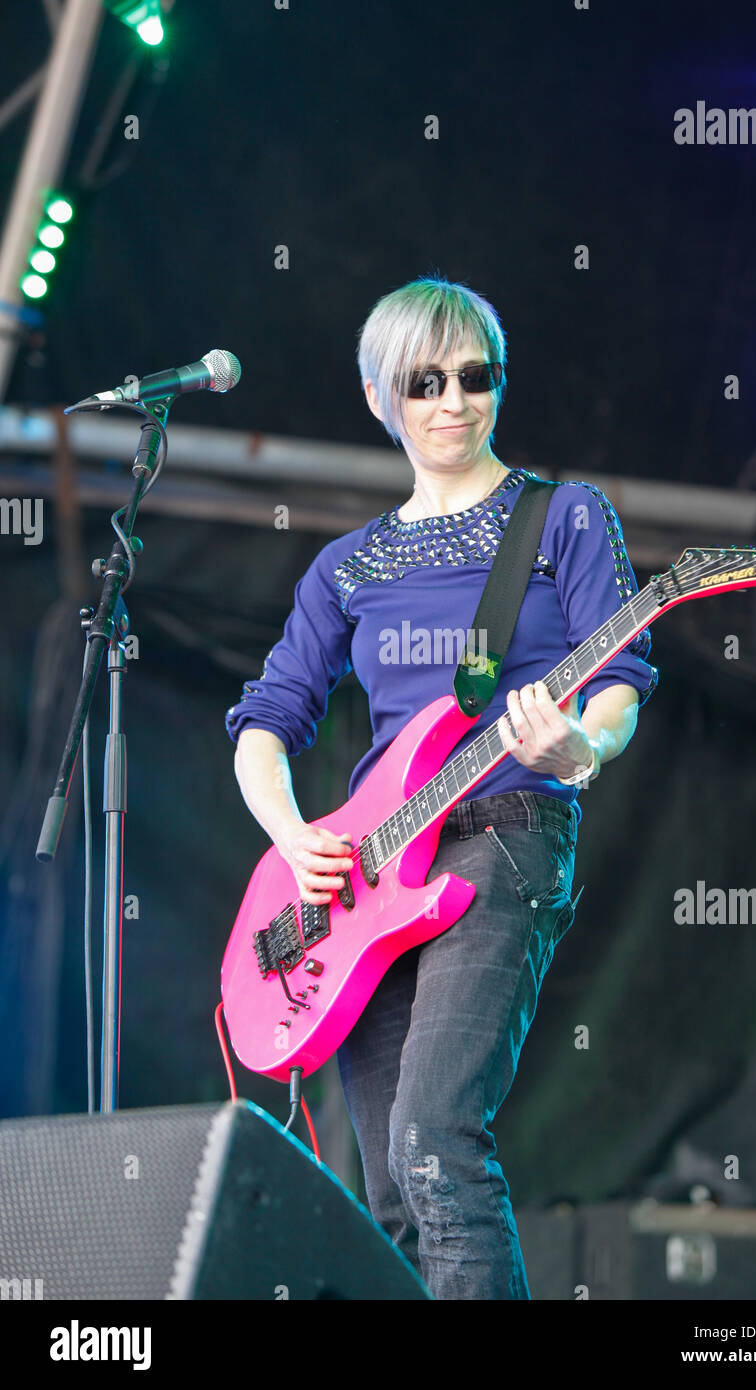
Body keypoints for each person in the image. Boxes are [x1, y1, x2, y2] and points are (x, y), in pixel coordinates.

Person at [225, 275, 657, 1299]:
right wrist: (293, 837)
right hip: (365, 879)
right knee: (385, 1185)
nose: (453, 399)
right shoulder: (347, 564)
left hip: (505, 830)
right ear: (381, 396)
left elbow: (619, 686)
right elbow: (262, 727)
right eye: (426, 380)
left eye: (476, 375)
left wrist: (576, 750)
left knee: (433, 1136)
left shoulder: (562, 518)